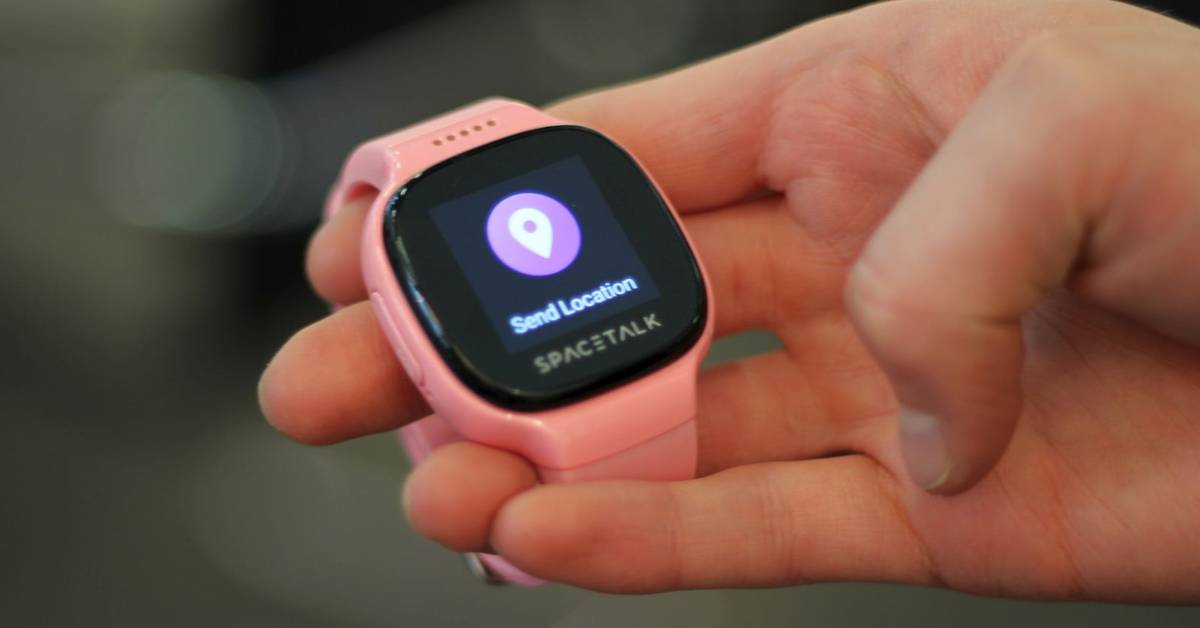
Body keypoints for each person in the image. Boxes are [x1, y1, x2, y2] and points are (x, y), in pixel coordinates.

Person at [258, 0, 1200, 600]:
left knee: (537, 516)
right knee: (505, 504)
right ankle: (524, 543)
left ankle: (530, 542)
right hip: (571, 380)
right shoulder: (415, 215)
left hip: (652, 359)